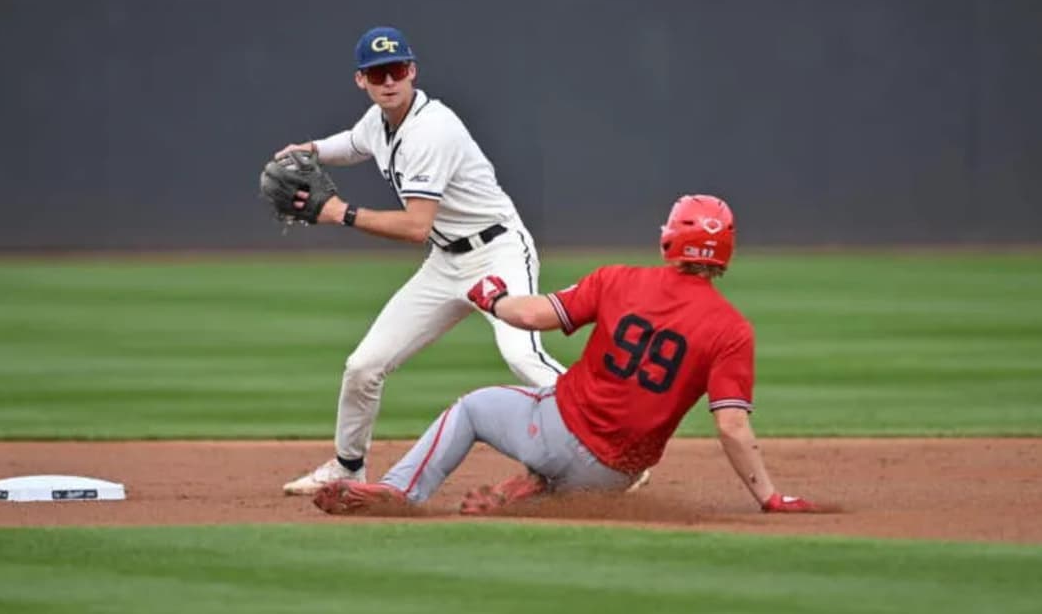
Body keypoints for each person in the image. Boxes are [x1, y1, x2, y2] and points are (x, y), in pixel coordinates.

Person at [311, 194, 819, 515]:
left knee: (472, 408)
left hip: (555, 429)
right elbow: (732, 428)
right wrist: (769, 497)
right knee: (574, 448)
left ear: (669, 238)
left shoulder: (618, 279)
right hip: (612, 476)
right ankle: (536, 489)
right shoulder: (732, 330)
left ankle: (404, 491)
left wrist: (492, 297)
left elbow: (532, 316)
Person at [274, 26, 567, 496]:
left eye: (397, 70)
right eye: (377, 73)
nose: (388, 81)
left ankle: (608, 441)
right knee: (364, 366)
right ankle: (348, 467)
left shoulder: (432, 129)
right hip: (445, 262)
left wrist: (340, 214)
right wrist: (309, 151)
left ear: (412, 71)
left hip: (497, 252)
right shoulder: (379, 121)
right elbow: (352, 143)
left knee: (522, 355)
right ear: (361, 81)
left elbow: (415, 227)